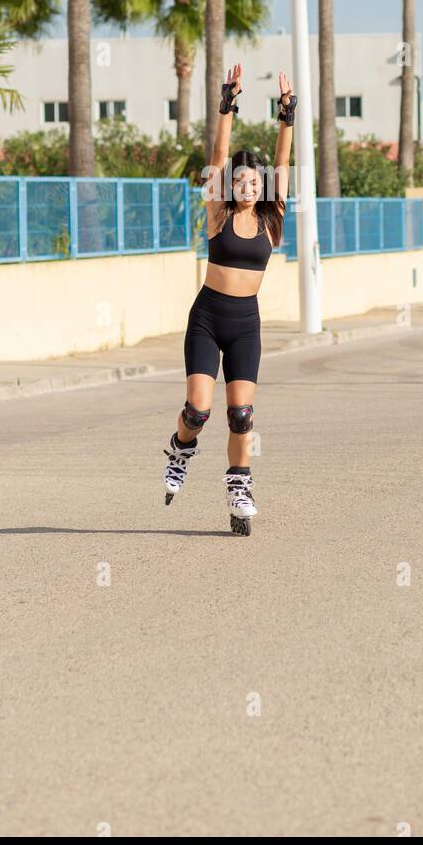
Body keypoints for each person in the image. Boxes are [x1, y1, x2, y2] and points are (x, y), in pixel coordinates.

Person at [163, 63, 297, 535]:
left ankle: (239, 487)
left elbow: (282, 162)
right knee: (197, 410)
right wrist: (227, 104)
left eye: (252, 182)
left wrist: (287, 115)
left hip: (245, 324)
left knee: (241, 416)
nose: (246, 187)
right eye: (239, 182)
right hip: (207, 317)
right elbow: (220, 153)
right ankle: (181, 448)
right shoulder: (217, 212)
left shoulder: (272, 216)